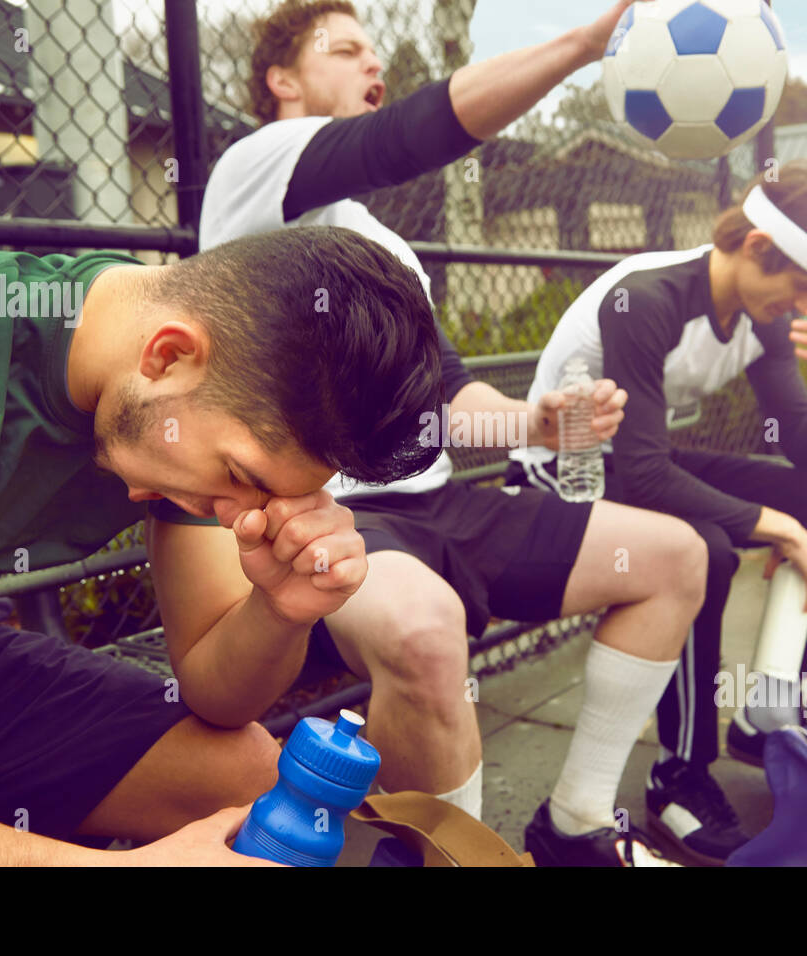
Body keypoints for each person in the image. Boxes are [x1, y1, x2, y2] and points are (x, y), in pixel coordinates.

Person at [187, 0, 708, 865]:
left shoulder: (385, 244)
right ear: (281, 81)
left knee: (674, 557)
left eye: (374, 52)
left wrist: (533, 422)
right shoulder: (254, 174)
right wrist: (585, 44)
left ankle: (576, 822)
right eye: (345, 49)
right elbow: (401, 138)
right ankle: (435, 859)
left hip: (446, 512)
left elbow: (446, 394)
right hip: (335, 524)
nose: (370, 64)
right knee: (427, 630)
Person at [0, 226, 446, 864]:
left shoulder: (187, 387)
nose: (240, 519)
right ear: (167, 356)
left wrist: (281, 609)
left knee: (245, 782)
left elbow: (216, 693)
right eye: (241, 479)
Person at [509, 162, 807, 863]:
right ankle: (680, 775)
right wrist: (774, 526)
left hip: (631, 462)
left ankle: (771, 712)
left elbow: (804, 458)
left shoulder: (758, 319)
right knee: (706, 546)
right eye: (800, 288)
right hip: (562, 473)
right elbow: (641, 474)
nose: (803, 306)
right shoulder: (649, 298)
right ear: (759, 247)